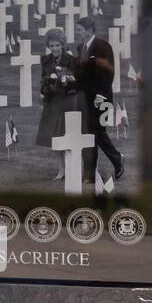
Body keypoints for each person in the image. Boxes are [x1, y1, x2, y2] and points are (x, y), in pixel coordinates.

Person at [73, 15, 124, 186]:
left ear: (89, 30)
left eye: (79, 30)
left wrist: (101, 96)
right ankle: (90, 174)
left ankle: (116, 160)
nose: (77, 33)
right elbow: (80, 74)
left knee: (98, 132)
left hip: (100, 98)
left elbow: (108, 73)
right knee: (89, 135)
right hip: (84, 99)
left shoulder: (103, 47)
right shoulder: (80, 48)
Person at [34, 28, 80, 180]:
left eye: (57, 46)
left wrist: (66, 82)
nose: (54, 49)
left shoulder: (72, 60)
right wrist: (48, 87)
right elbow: (42, 82)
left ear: (62, 45)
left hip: (68, 102)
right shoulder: (45, 60)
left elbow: (77, 83)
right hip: (52, 102)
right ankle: (62, 169)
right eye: (51, 46)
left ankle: (73, 166)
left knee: (68, 136)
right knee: (54, 138)